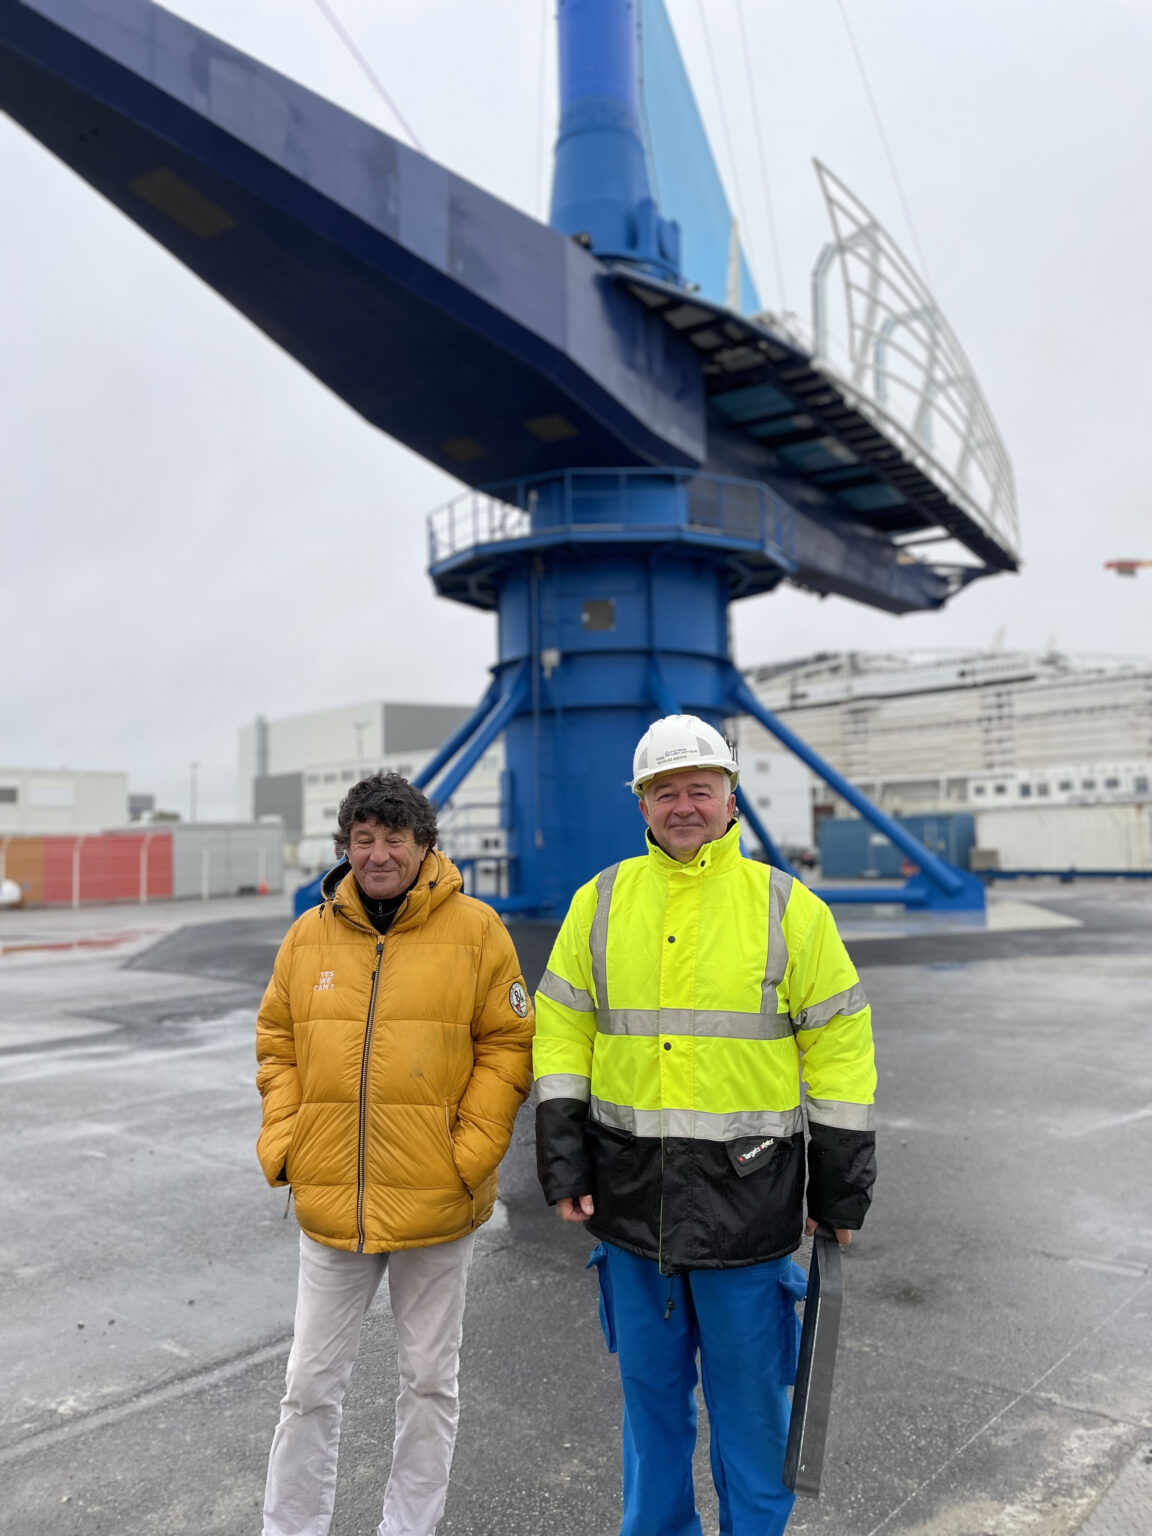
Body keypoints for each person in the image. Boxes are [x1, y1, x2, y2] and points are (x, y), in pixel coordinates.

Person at [533, 715, 876, 1536]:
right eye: (665, 792)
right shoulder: (600, 902)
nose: (683, 806)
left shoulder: (787, 908)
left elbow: (840, 1050)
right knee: (651, 1416)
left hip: (746, 1209)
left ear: (730, 799)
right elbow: (560, 1034)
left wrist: (840, 1191)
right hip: (630, 1202)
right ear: (642, 805)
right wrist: (564, 1161)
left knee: (752, 1414)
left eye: (699, 789)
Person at [256, 772, 534, 1536]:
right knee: (308, 1384)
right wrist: (287, 1139)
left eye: (394, 839)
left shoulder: (478, 931)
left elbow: (509, 1046)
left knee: (428, 1382)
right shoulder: (308, 934)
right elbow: (276, 1043)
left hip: (438, 1202)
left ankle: (409, 1528)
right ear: (346, 846)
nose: (377, 855)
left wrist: (466, 1155)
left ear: (423, 845)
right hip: (329, 1198)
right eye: (363, 839)